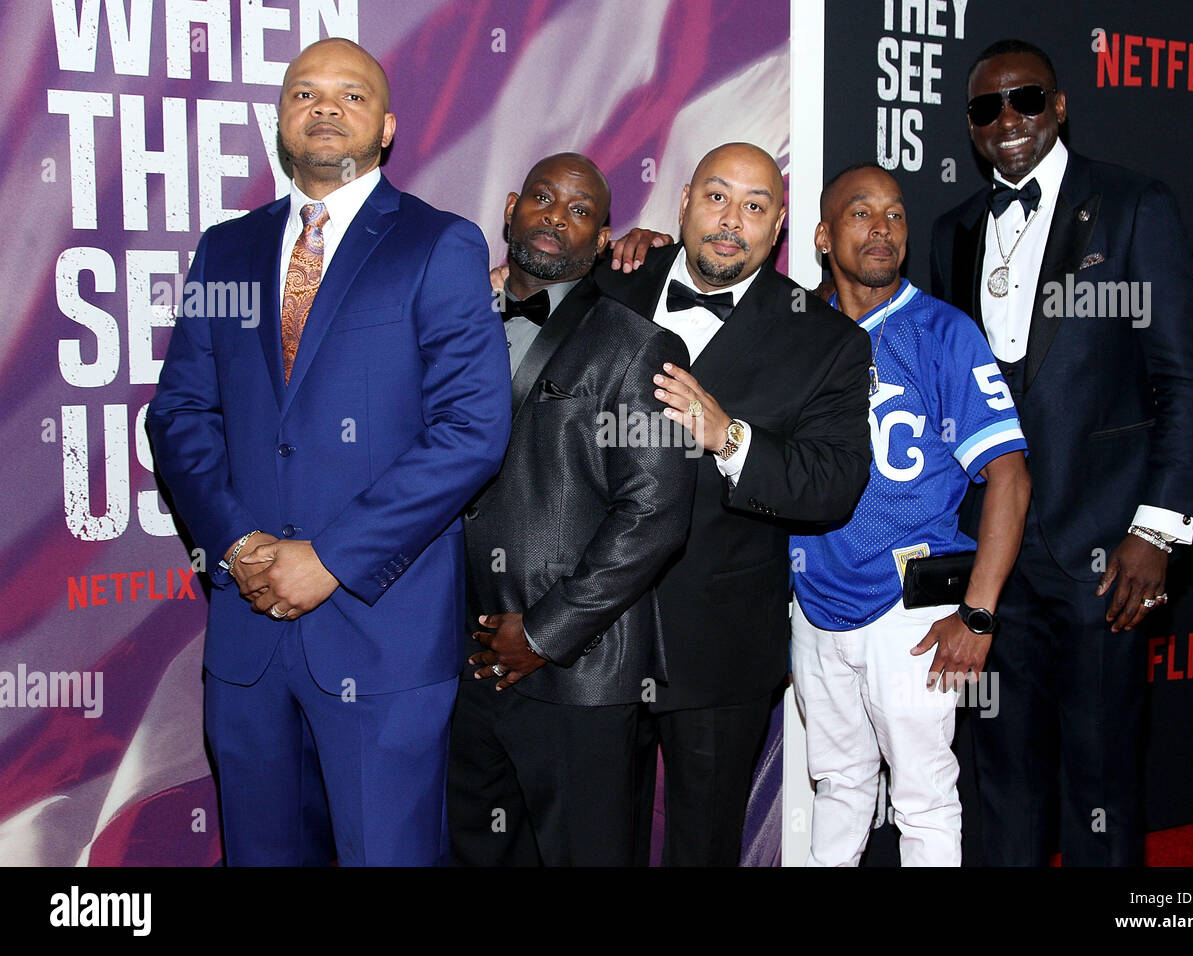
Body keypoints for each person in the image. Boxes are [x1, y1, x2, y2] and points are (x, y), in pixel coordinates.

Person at [147, 38, 511, 866]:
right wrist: (238, 543)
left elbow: (471, 432)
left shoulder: (438, 245)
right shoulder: (226, 250)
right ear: (279, 119)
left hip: (382, 635)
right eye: (305, 92)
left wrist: (332, 557)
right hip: (247, 634)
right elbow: (179, 415)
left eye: (350, 96)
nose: (325, 107)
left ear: (385, 127)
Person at [930, 39, 1193, 866]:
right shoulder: (955, 232)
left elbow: (1186, 384)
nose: (1008, 119)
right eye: (987, 108)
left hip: (1104, 551)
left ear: (1061, 106)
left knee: (1101, 787)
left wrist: (1155, 531)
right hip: (992, 560)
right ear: (972, 127)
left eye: (1026, 99)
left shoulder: (1133, 205)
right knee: (1003, 785)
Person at [594, 143, 874, 866]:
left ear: (778, 226)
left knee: (704, 846)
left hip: (721, 643)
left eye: (754, 207)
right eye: (716, 197)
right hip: (588, 627)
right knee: (588, 841)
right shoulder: (604, 287)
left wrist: (730, 436)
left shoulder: (826, 339)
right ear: (682, 201)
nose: (731, 221)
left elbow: (832, 484)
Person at [447, 153, 694, 866]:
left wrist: (546, 632)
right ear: (510, 209)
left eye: (579, 210)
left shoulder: (640, 347)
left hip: (579, 674)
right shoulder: (453, 328)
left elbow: (653, 515)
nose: (556, 216)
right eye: (544, 198)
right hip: (463, 665)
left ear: (603, 240)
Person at [790, 164, 1030, 866]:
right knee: (837, 784)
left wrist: (979, 613)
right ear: (823, 236)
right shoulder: (796, 330)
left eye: (895, 214)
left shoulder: (941, 332)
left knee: (923, 799)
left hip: (910, 607)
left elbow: (1009, 478)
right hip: (813, 603)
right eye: (861, 213)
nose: (883, 228)